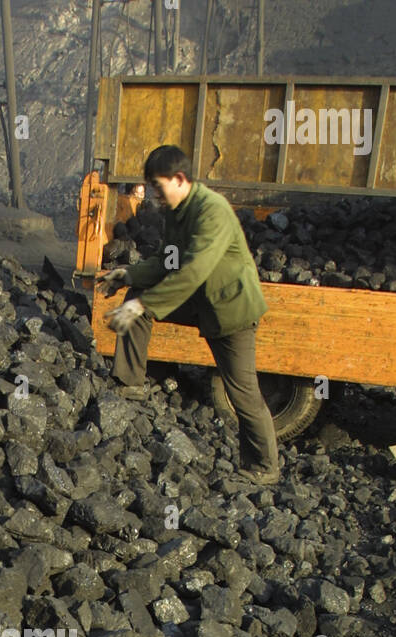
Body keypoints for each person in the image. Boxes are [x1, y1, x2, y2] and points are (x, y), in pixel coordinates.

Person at [99, 144, 280, 485]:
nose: (155, 194)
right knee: (137, 296)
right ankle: (131, 382)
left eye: (158, 185)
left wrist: (144, 305)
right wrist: (130, 275)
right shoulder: (175, 213)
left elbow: (193, 270)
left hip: (231, 307)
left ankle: (265, 467)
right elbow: (170, 261)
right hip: (201, 300)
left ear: (179, 179)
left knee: (242, 392)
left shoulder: (212, 211)